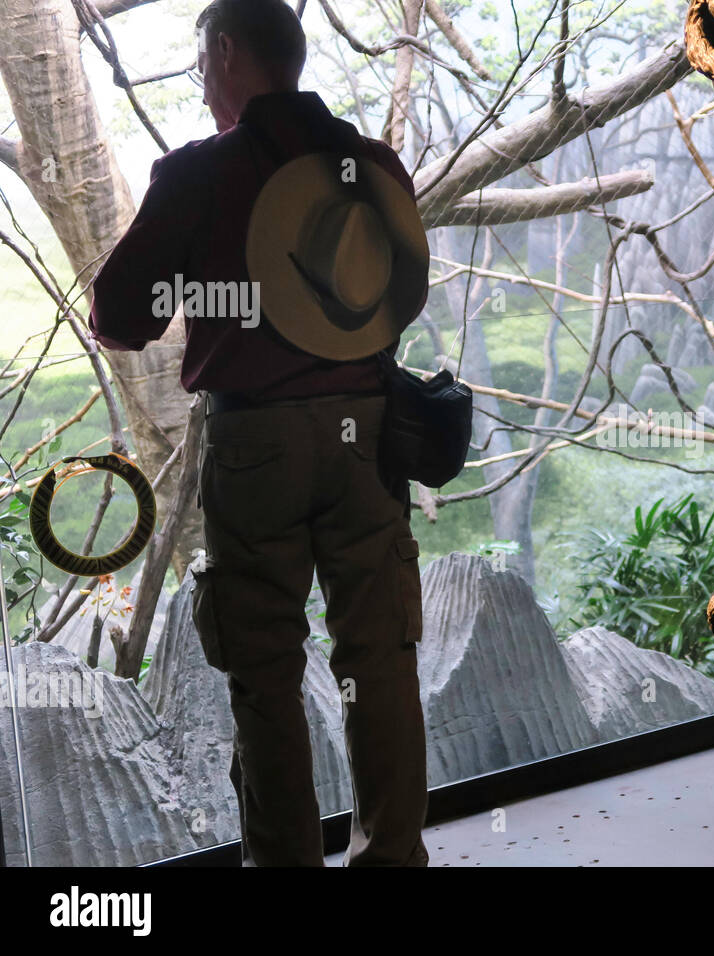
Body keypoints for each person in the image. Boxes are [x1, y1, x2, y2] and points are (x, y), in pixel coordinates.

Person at [89, 0, 430, 867]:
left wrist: (205, 294)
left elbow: (120, 316)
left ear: (229, 54)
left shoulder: (200, 173)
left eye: (205, 61)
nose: (204, 81)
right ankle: (395, 857)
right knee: (380, 661)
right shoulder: (375, 162)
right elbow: (401, 295)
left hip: (257, 449)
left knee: (267, 673)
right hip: (371, 443)